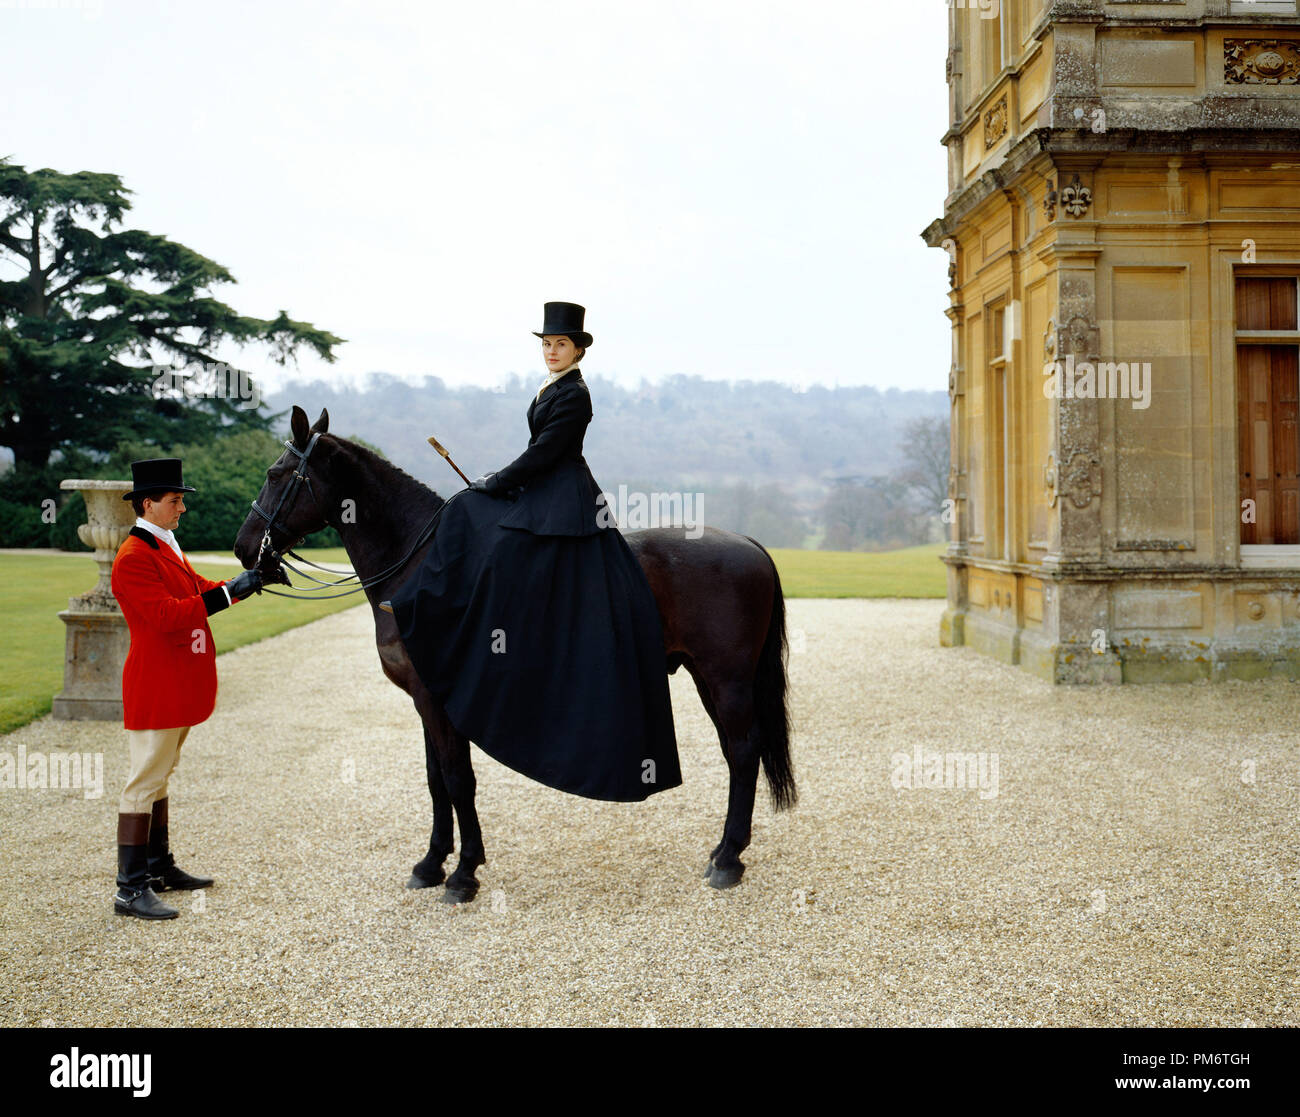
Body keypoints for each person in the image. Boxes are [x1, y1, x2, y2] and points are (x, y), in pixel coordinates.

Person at [384, 301, 681, 802]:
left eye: (560, 344)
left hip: (563, 496)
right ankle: (427, 601)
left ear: (579, 349)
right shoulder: (550, 386)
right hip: (542, 488)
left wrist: (497, 481)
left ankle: (457, 612)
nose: (551, 351)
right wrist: (497, 483)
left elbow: (546, 453)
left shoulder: (575, 394)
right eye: (546, 344)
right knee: (464, 512)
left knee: (476, 522)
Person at [110, 458, 265, 919]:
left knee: (160, 775)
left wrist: (246, 584)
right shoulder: (133, 558)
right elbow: (168, 615)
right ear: (148, 504)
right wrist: (227, 592)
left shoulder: (164, 546)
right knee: (143, 782)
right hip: (156, 682)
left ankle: (158, 867)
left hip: (174, 680)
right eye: (175, 501)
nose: (181, 509)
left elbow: (198, 589)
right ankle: (129, 889)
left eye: (180, 501)